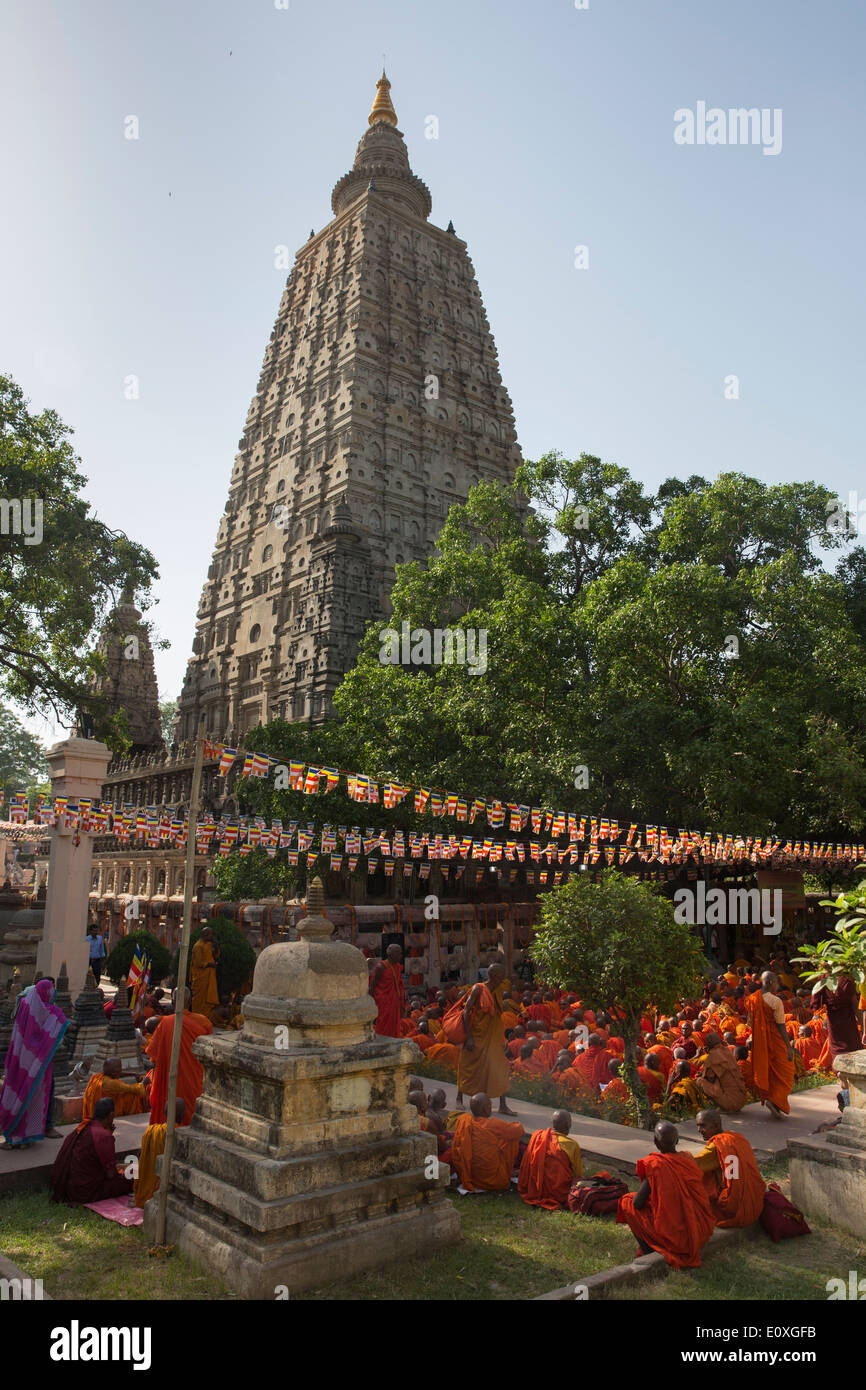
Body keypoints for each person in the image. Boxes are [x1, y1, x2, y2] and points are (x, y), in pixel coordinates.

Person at [616, 1120, 716, 1267]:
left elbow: (638, 1203)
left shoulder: (656, 1165)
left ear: (655, 1142)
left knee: (627, 1201)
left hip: (676, 1238)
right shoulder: (688, 1160)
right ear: (677, 1141)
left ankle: (649, 1251)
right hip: (699, 1231)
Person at [0, 977, 69, 1146]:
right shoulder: (52, 1012)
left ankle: (19, 1135)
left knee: (21, 1094)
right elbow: (62, 1024)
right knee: (36, 1097)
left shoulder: (25, 1005)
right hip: (39, 1065)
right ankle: (25, 1134)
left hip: (20, 1061)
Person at [147, 987, 213, 1125]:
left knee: (169, 1119)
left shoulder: (165, 1023)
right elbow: (209, 1055)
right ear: (190, 1002)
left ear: (172, 1001)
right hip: (194, 1082)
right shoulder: (204, 1023)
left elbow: (153, 1057)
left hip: (170, 1084)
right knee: (192, 1118)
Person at [456, 963, 516, 1115]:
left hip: (493, 1036)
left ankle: (503, 1105)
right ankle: (459, 1098)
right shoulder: (478, 989)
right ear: (494, 976)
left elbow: (495, 1016)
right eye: (501, 975)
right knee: (468, 1066)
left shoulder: (498, 990)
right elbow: (466, 1012)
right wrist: (469, 1036)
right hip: (477, 1035)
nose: (504, 979)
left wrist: (502, 1039)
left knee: (500, 1067)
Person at [50, 1097, 134, 1204]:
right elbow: (111, 1174)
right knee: (135, 1176)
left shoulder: (84, 1127)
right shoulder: (103, 1135)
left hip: (70, 1186)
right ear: (111, 1115)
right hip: (87, 1192)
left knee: (127, 1169)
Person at [693, 1109, 765, 1228]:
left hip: (732, 1206)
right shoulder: (738, 1138)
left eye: (702, 1126)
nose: (699, 1130)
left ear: (716, 1125)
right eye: (698, 1126)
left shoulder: (716, 1147)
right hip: (755, 1200)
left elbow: (690, 1166)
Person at [450, 1092, 524, 1193]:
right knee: (511, 1139)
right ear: (486, 1108)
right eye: (490, 1104)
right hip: (494, 1180)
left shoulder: (464, 1121)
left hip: (471, 1176)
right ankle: (506, 1172)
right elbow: (519, 1130)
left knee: (498, 1139)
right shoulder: (493, 1124)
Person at [746, 972, 795, 1117]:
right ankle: (774, 1100)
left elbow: (749, 1021)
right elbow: (781, 1025)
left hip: (760, 1041)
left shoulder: (752, 998)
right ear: (771, 982)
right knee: (787, 1071)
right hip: (775, 1040)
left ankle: (773, 1100)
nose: (778, 986)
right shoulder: (775, 1001)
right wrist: (788, 1046)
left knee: (770, 1070)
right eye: (777, 983)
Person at [518, 1109, 582, 1210]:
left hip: (534, 1189)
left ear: (553, 1123)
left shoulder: (539, 1136)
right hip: (560, 1193)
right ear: (568, 1125)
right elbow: (577, 1175)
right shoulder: (572, 1145)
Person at [133, 1098, 186, 1207]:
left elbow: (140, 1156)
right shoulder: (179, 1134)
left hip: (143, 1191)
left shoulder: (151, 1130)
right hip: (161, 1188)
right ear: (181, 1115)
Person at [81, 1057, 149, 1119]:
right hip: (102, 1113)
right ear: (114, 1072)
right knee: (132, 1095)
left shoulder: (97, 1076)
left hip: (96, 1109)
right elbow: (133, 1088)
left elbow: (118, 1074)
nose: (121, 1070)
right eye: (120, 1068)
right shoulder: (111, 1083)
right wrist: (144, 1082)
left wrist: (132, 1074)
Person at [698, 1032, 748, 1113]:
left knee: (700, 1081)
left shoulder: (712, 1056)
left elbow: (708, 1078)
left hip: (730, 1103)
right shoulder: (728, 1051)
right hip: (742, 1100)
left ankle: (723, 1107)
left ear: (708, 1044)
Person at [370, 944, 406, 1038]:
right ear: (391, 955)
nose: (400, 956)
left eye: (400, 953)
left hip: (394, 1002)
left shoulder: (397, 967)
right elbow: (372, 985)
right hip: (383, 1003)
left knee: (394, 1026)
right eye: (398, 954)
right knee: (383, 1025)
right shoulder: (381, 967)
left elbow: (399, 985)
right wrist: (371, 1003)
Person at [189, 924, 220, 1022]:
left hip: (209, 976)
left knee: (207, 999)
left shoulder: (209, 945)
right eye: (211, 935)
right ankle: (196, 1018)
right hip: (200, 977)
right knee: (199, 999)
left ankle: (206, 1018)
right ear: (205, 935)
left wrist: (216, 946)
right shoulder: (198, 946)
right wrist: (210, 964)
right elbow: (198, 963)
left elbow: (216, 956)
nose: (212, 937)